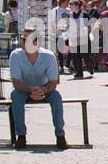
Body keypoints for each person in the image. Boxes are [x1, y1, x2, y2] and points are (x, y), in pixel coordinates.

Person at [9, 22, 66, 150]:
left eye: (27, 39)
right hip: (23, 88)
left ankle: (60, 136)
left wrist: (43, 90)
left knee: (56, 97)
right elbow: (16, 82)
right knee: (15, 96)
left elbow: (53, 82)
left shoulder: (49, 56)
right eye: (22, 39)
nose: (23, 42)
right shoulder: (16, 56)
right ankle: (21, 135)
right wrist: (30, 89)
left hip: (45, 88)